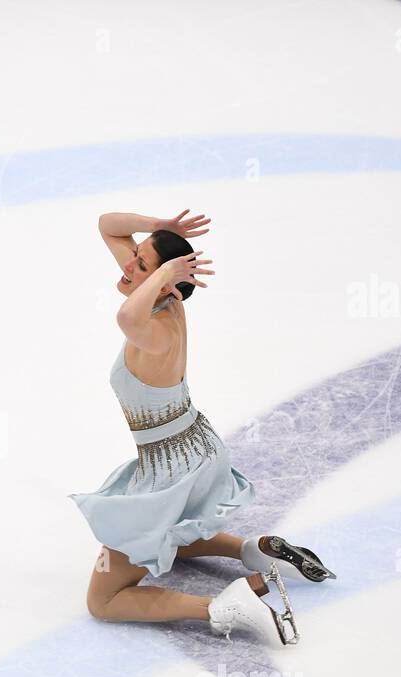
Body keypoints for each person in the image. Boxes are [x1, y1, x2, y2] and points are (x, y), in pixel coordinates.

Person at [69, 211, 334, 645]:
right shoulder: (164, 301)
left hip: (171, 466)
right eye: (134, 257)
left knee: (104, 599)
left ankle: (225, 606)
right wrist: (163, 227)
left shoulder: (154, 327)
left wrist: (164, 271)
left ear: (166, 282)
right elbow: (107, 224)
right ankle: (254, 549)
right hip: (197, 445)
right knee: (169, 531)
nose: (128, 267)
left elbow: (125, 318)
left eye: (141, 266)